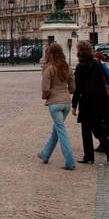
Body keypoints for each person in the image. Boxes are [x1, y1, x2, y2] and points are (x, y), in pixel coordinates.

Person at [72, 40, 109, 164]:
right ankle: (106, 146)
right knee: (96, 126)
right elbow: (104, 80)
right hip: (100, 99)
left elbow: (77, 88)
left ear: (80, 51)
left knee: (86, 129)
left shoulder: (81, 66)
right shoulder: (96, 63)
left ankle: (89, 156)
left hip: (87, 100)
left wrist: (74, 105)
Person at [37, 42, 76, 170]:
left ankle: (70, 160)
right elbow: (72, 87)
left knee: (61, 130)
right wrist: (66, 92)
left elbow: (45, 88)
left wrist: (46, 96)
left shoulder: (49, 68)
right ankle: (45, 154)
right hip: (66, 102)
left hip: (55, 102)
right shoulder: (67, 67)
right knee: (57, 130)